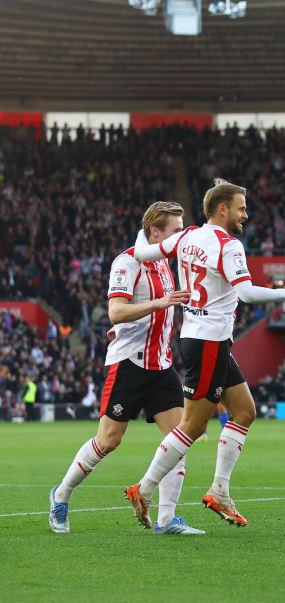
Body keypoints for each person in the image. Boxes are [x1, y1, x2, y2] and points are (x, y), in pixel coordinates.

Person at [123, 179, 285, 528]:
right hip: (207, 342)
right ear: (222, 209)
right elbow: (247, 293)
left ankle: (219, 491)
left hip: (206, 339)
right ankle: (144, 488)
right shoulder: (229, 245)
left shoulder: (187, 236)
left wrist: (144, 230)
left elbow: (140, 252)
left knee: (244, 411)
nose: (245, 214)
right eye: (240, 208)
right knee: (192, 426)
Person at [49, 201, 204, 535]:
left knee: (179, 439)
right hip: (129, 365)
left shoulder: (164, 262)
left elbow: (149, 314)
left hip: (161, 365)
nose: (180, 238)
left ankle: (166, 519)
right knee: (108, 440)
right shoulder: (129, 261)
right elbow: (116, 311)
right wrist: (155, 306)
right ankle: (61, 494)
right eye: (175, 231)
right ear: (154, 232)